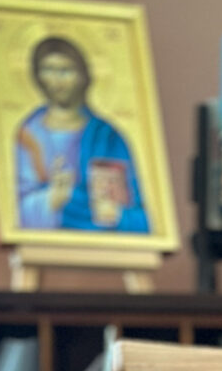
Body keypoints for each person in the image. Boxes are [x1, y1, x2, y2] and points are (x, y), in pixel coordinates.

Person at [15, 36, 150, 236]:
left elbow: (143, 215)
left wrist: (117, 214)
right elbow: (12, 208)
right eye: (48, 70)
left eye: (66, 70)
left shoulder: (107, 136)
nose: (57, 80)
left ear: (83, 75)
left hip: (101, 236)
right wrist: (51, 199)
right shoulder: (27, 133)